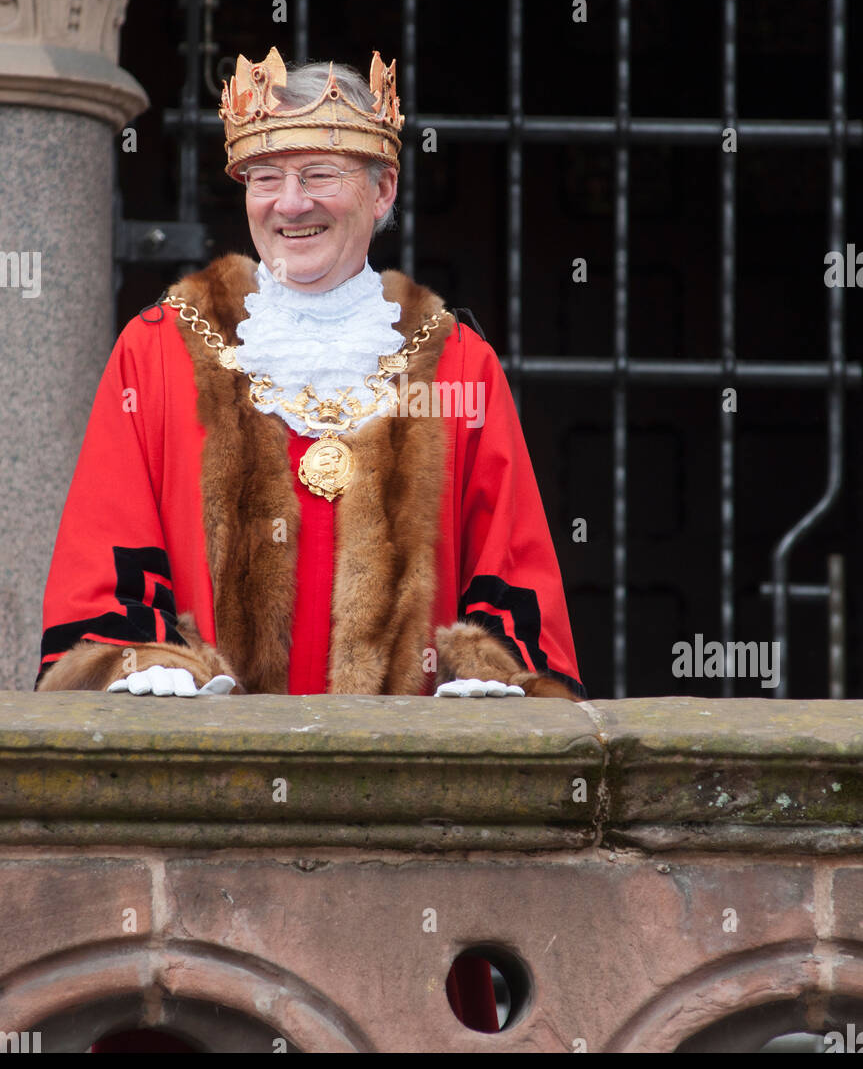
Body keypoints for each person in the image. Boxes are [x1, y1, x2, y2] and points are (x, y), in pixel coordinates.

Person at [37, 47, 584, 707]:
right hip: (209, 765)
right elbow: (104, 555)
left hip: (406, 769)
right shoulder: (158, 349)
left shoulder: (458, 363)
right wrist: (133, 661)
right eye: (265, 178)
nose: (290, 205)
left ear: (382, 190)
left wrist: (493, 673)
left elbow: (511, 567)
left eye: (319, 174)